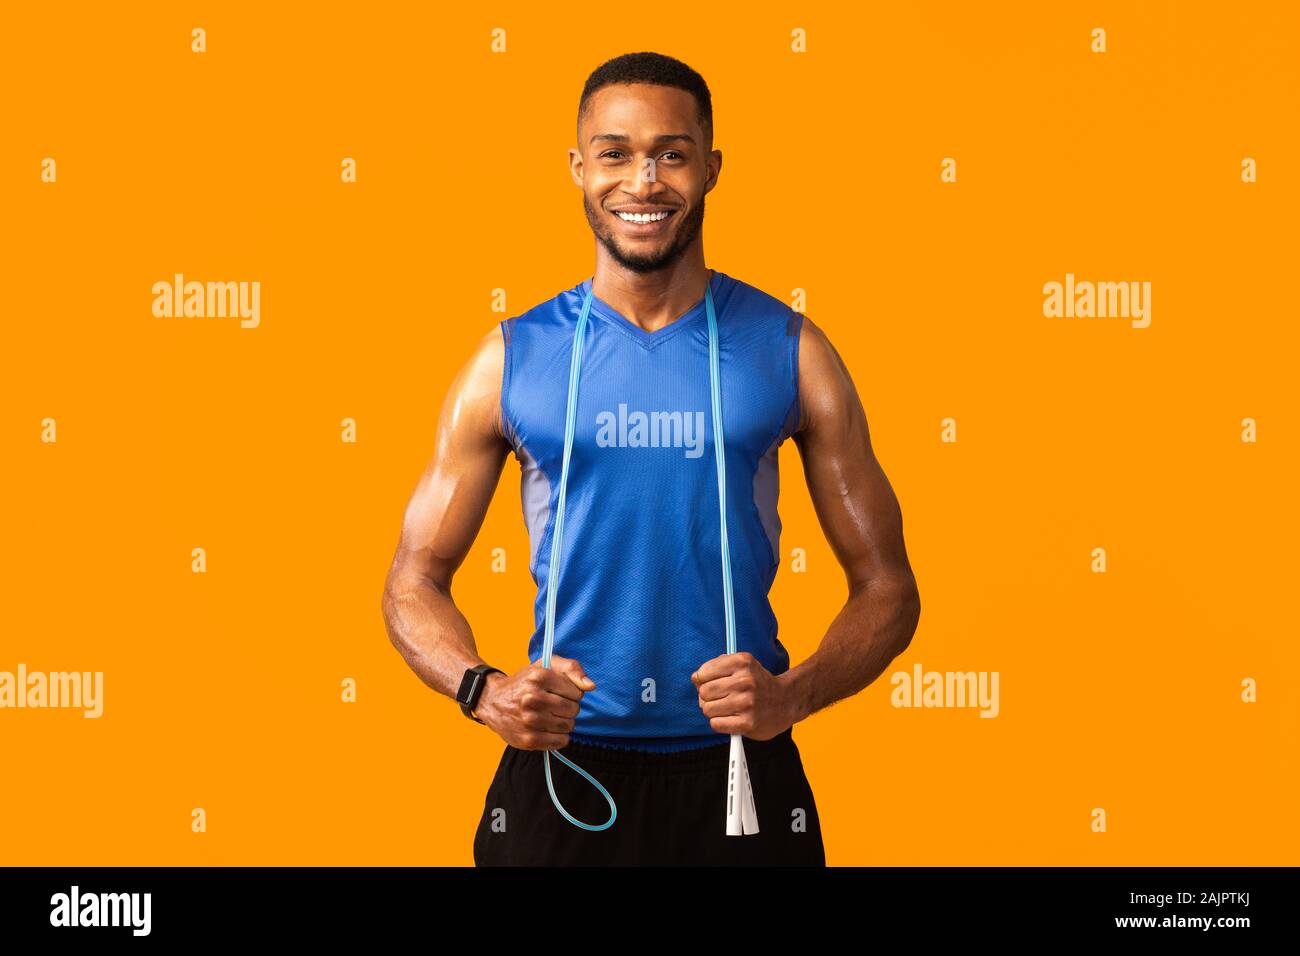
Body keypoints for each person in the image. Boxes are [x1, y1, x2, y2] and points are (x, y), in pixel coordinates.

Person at [380, 51, 921, 866]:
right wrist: (484, 691)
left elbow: (889, 588)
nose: (644, 181)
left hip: (739, 770)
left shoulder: (791, 350)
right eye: (616, 153)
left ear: (711, 169)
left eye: (672, 153)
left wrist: (792, 695)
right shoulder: (511, 360)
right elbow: (411, 580)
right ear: (579, 168)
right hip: (563, 773)